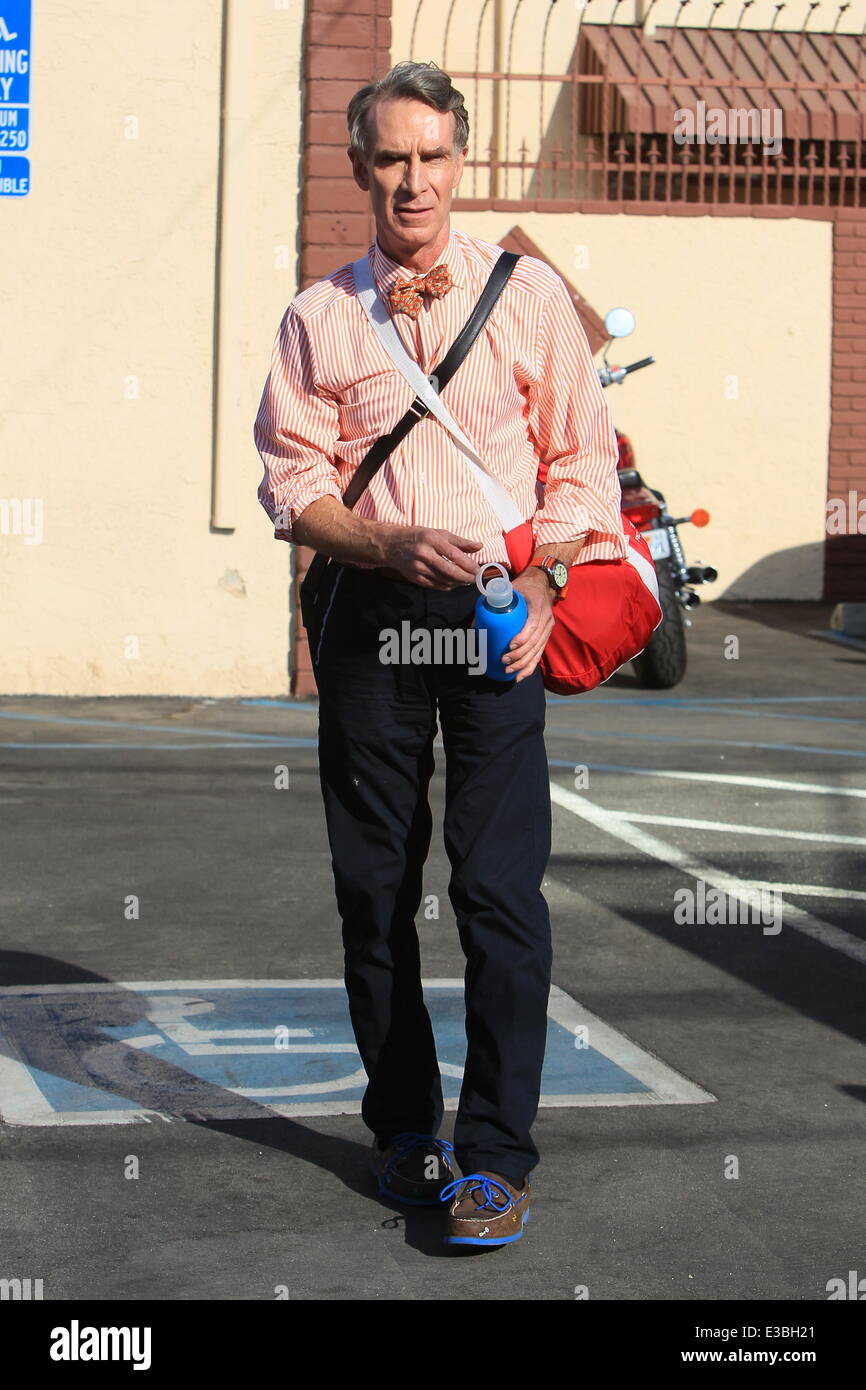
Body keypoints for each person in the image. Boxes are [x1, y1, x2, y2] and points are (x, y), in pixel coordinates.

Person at [253, 60, 625, 1248]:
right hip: (369, 615)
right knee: (374, 885)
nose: (411, 179)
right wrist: (376, 539)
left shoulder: (527, 297)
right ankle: (405, 1125)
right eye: (389, 158)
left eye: (431, 156)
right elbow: (292, 481)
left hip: (496, 618)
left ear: (460, 162)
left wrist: (545, 576)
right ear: (360, 167)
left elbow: (582, 467)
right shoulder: (316, 317)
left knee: (494, 885)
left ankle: (495, 1155)